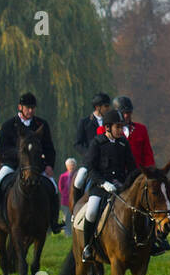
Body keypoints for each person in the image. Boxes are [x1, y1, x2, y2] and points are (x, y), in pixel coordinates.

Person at [0, 92, 62, 234]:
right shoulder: (8, 125)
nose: (30, 111)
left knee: (54, 187)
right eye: (27, 108)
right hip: (12, 165)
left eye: (32, 108)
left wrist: (49, 165)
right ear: (20, 107)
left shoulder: (41, 124)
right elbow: (2, 148)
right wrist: (19, 155)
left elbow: (49, 148)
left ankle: (54, 221)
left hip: (36, 167)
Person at [80, 110, 140, 261]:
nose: (121, 130)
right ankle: (88, 246)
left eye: (122, 127)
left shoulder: (123, 143)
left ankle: (147, 243)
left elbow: (132, 167)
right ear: (107, 127)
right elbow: (90, 168)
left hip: (121, 187)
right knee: (92, 211)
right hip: (100, 187)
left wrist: (130, 182)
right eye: (118, 127)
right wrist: (103, 183)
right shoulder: (97, 143)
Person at [70, 93, 112, 204]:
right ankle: (76, 207)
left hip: (106, 162)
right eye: (106, 106)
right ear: (98, 107)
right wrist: (89, 154)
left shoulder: (110, 122)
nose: (108, 108)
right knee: (78, 180)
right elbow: (77, 143)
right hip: (90, 162)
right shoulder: (84, 122)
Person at [59, 158, 76, 236]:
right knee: (66, 217)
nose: (72, 166)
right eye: (70, 165)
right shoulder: (63, 176)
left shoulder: (77, 175)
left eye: (73, 165)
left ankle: (75, 232)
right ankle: (67, 233)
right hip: (66, 200)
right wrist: (66, 194)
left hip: (75, 199)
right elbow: (60, 187)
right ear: (67, 166)